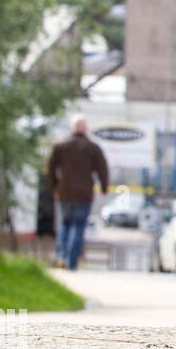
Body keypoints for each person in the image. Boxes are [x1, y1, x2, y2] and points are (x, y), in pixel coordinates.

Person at [46, 113, 109, 271]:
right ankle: (71, 262)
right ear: (85, 128)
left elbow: (50, 168)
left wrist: (55, 186)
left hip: (64, 192)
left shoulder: (60, 145)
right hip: (84, 194)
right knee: (78, 226)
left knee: (65, 224)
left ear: (72, 128)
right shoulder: (92, 148)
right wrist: (104, 187)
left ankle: (61, 256)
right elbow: (103, 168)